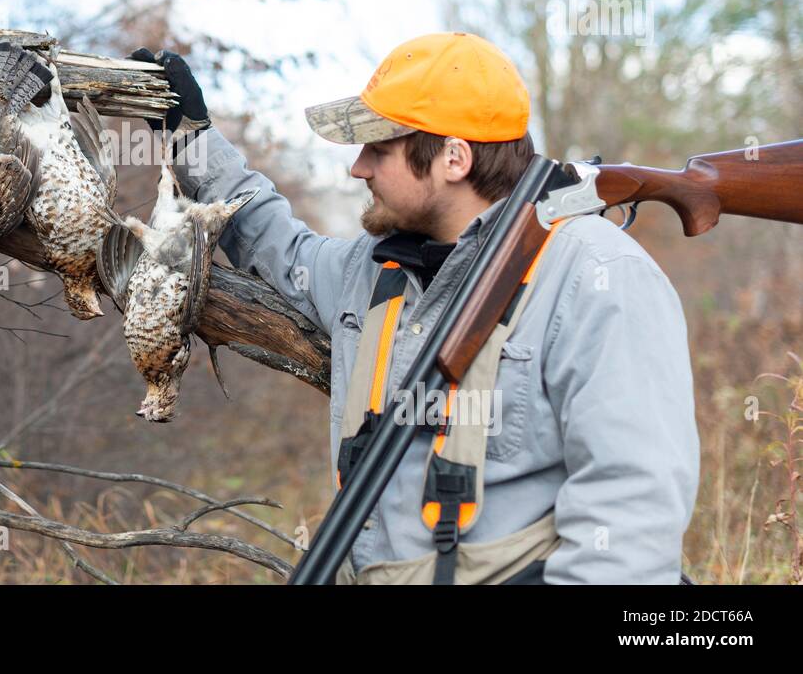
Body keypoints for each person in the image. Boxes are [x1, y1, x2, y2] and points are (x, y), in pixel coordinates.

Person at [131, 33, 699, 584]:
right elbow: (274, 243)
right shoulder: (374, 271)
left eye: (379, 148)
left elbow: (633, 512)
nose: (358, 168)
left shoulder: (597, 276)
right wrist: (193, 143)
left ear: (453, 158)